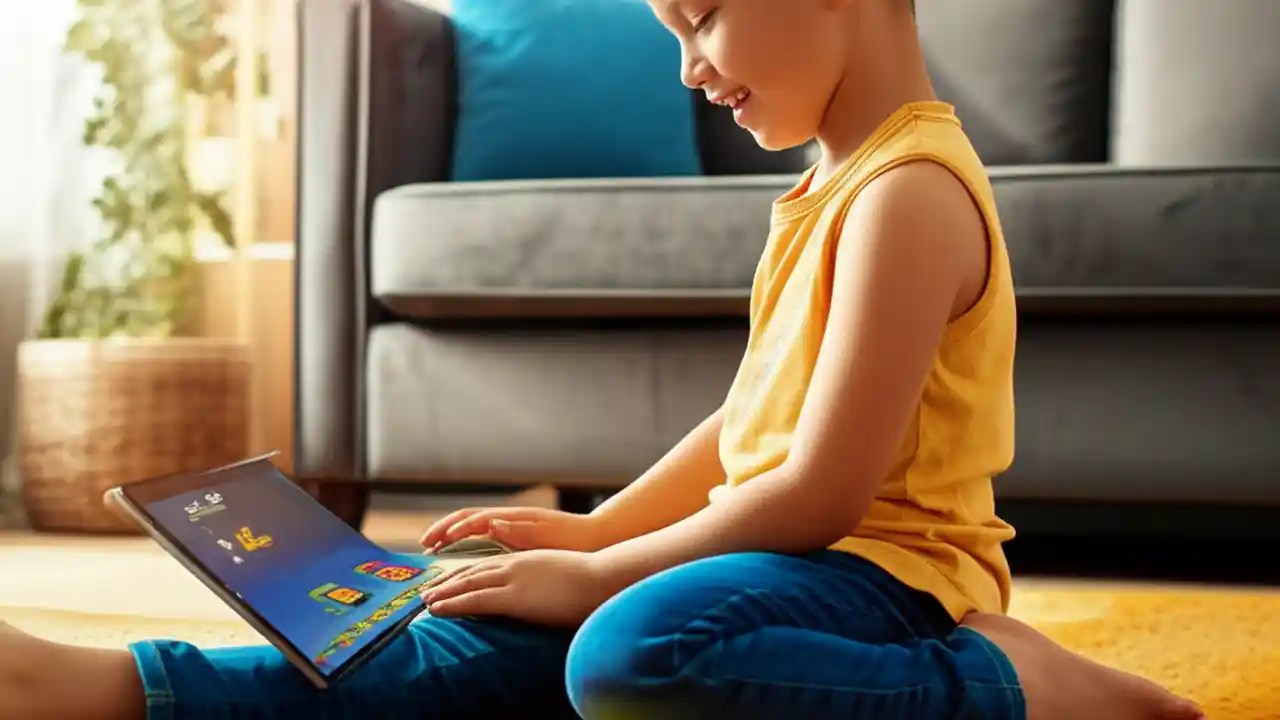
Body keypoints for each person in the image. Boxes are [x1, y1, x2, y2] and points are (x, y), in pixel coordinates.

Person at [0, 1, 1205, 718]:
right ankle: (106, 691)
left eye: (703, 15)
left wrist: (604, 572)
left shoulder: (910, 198)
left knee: (631, 657)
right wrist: (588, 533)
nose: (687, 64)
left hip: (886, 575)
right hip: (782, 553)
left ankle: (1011, 684)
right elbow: (748, 425)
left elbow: (821, 495)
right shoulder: (824, 188)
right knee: (466, 648)